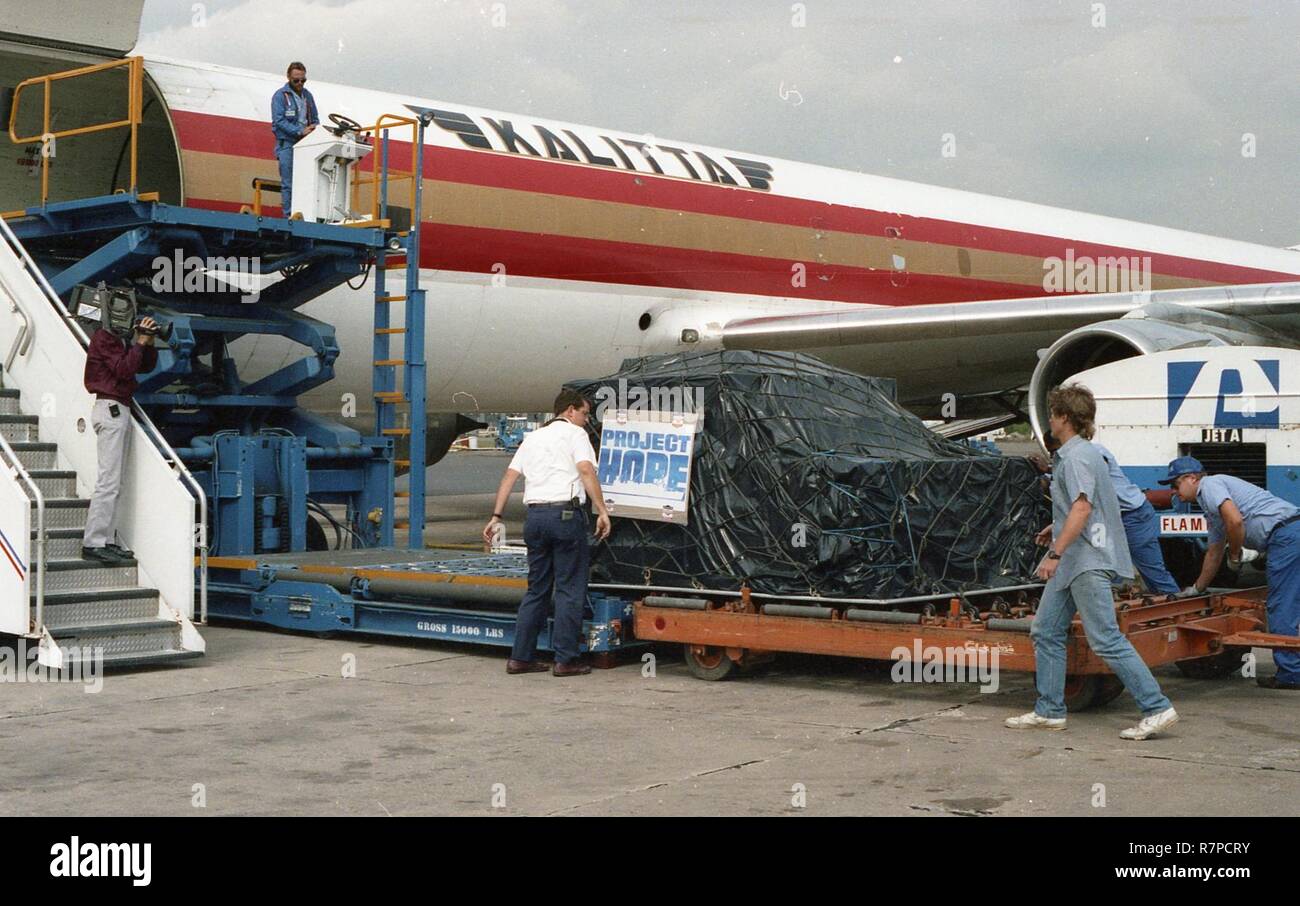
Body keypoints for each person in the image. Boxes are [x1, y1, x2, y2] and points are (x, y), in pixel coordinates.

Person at [1006, 383, 1179, 739]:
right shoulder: (1082, 454)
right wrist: (1057, 527)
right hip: (1074, 560)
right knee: (1046, 631)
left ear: (1064, 418)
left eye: (1052, 414)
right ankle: (1050, 710)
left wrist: (1055, 552)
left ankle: (1157, 707)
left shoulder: (1076, 458)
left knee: (1105, 638)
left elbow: (1083, 508)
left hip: (1085, 560)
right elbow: (1086, 506)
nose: (1050, 421)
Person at [483, 390, 612, 676]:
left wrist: (496, 516)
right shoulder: (576, 435)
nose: (586, 419)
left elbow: (509, 477)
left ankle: (520, 658)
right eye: (584, 413)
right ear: (570, 410)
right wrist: (602, 510)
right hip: (565, 517)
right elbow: (586, 471)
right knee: (569, 589)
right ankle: (565, 660)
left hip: (535, 518)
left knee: (537, 589)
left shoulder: (533, 437)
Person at [1161, 456, 1300, 690]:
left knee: (1281, 605)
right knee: (1291, 603)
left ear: (1192, 478)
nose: (1173, 492)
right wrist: (1197, 589)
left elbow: (1235, 522)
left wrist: (1235, 555)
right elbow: (1214, 553)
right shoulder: (1212, 509)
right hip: (1292, 532)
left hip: (1286, 537)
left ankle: (1291, 674)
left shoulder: (1210, 485)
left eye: (1175, 485)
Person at [81, 291, 159, 564]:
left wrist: (147, 342)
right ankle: (93, 542)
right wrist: (139, 342)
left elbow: (144, 366)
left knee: (115, 482)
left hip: (118, 409)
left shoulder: (119, 340)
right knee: (108, 481)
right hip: (110, 408)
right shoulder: (104, 338)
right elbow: (124, 370)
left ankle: (107, 539)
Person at [1092, 442, 1181, 596]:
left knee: (1153, 571)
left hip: (1133, 514)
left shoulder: (1092, 452)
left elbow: (1097, 475)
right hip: (1112, 515)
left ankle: (1175, 603)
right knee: (1103, 568)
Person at [270, 61, 318, 217]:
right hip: (287, 144)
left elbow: (315, 118)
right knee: (288, 183)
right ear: (288, 77)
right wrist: (299, 131)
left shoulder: (307, 96)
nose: (300, 83)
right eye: (296, 80)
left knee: (305, 182)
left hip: (305, 145)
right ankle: (288, 216)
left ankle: (304, 214)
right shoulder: (280, 96)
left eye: (303, 80)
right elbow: (279, 121)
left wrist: (313, 128)